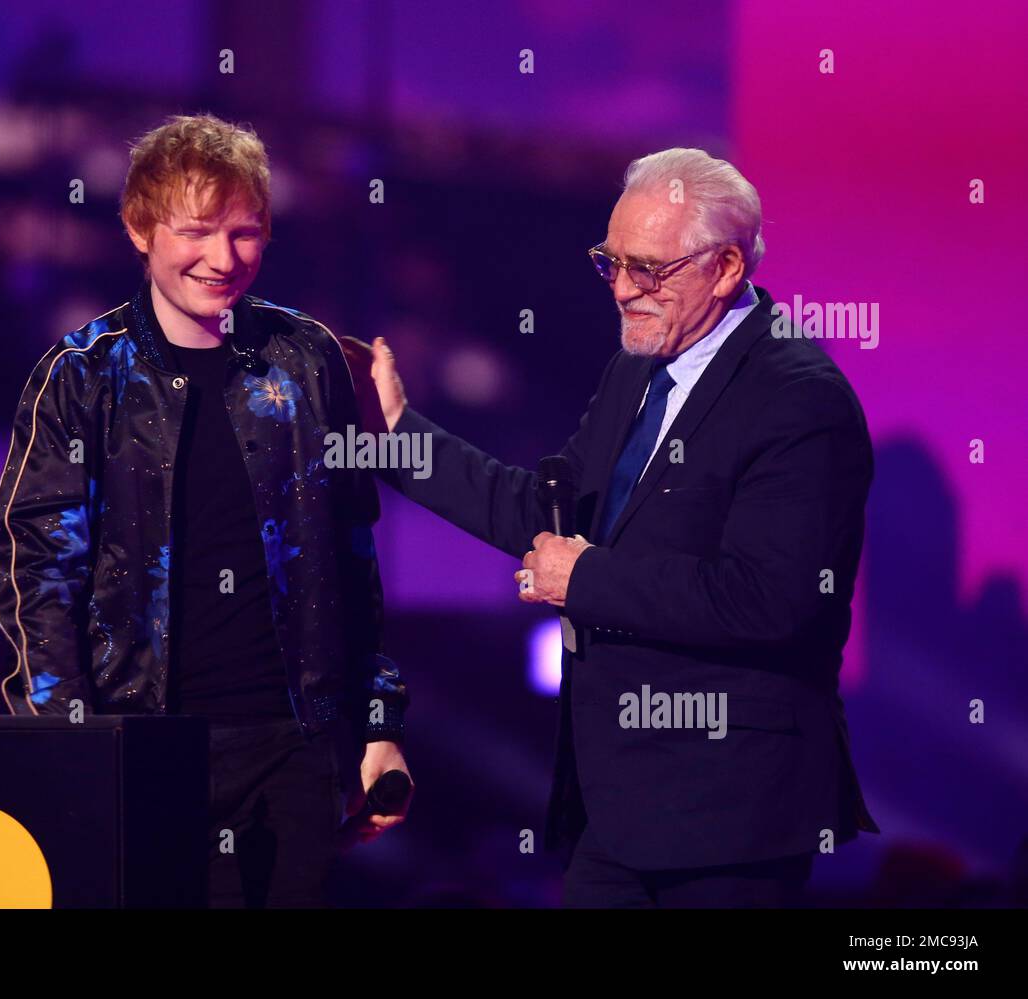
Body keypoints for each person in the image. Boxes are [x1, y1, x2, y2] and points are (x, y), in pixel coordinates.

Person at [344, 147, 876, 907]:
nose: (623, 289)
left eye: (648, 269)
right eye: (610, 262)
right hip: (613, 810)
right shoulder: (641, 364)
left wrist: (584, 578)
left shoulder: (799, 401)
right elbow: (549, 517)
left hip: (729, 819)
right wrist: (396, 433)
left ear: (726, 268)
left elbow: (772, 599)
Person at [0, 113, 411, 908]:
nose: (223, 258)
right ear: (139, 229)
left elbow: (353, 554)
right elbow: (36, 568)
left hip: (296, 745)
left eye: (246, 232)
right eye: (197, 231)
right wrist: (73, 744)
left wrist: (377, 722)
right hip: (141, 745)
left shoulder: (307, 356)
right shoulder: (83, 375)